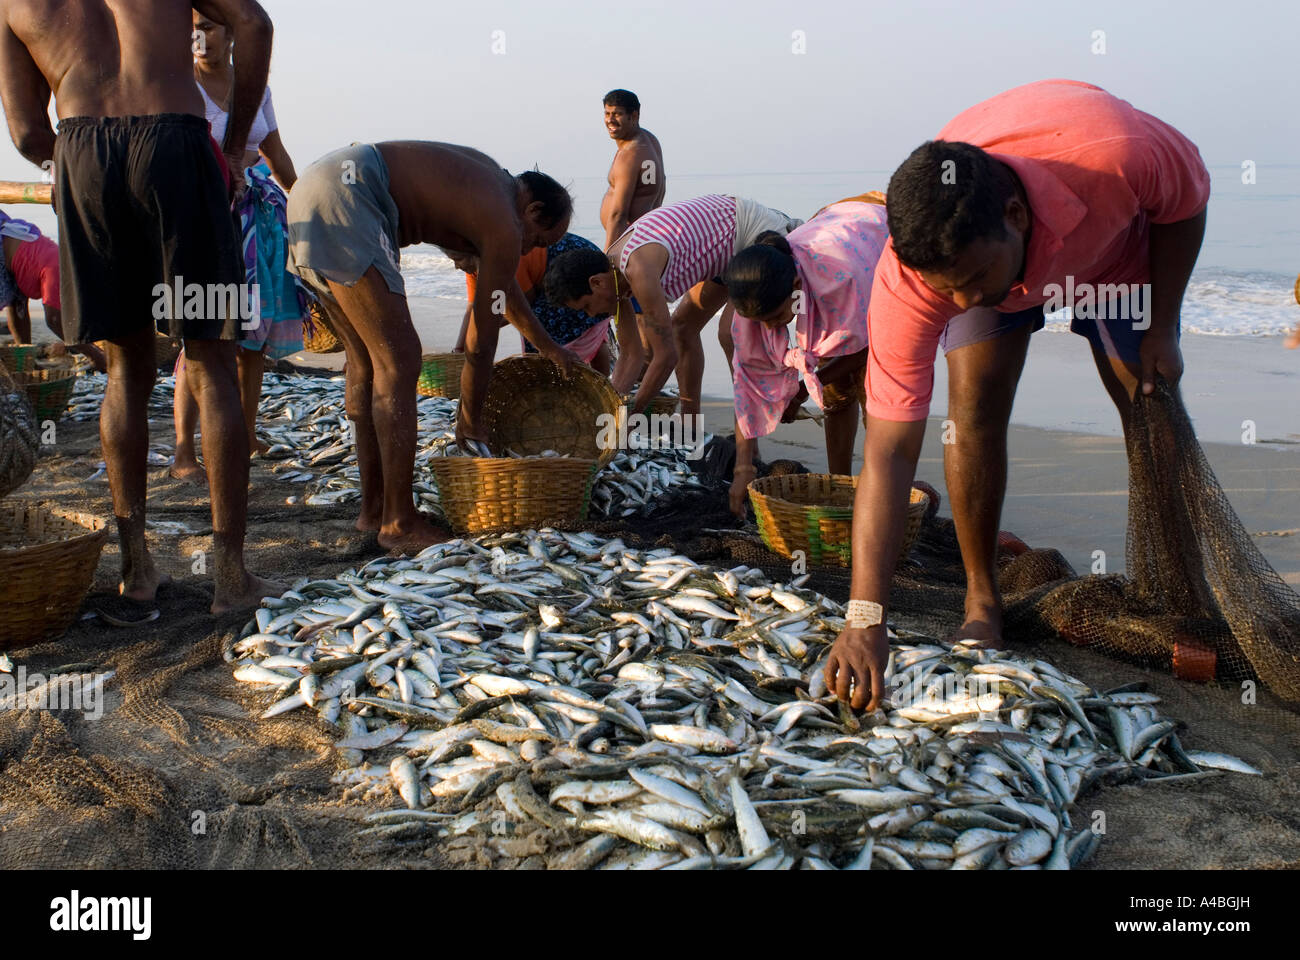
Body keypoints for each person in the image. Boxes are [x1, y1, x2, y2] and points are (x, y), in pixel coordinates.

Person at [825, 80, 1211, 709]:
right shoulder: (916, 279)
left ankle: (1183, 594)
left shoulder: (1119, 155)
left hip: (1111, 253)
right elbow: (888, 455)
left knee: (1148, 402)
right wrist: (864, 617)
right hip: (997, 257)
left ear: (1014, 216)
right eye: (944, 290)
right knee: (972, 411)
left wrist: (1164, 323)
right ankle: (983, 600)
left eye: (972, 280)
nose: (962, 302)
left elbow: (1186, 203)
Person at [0, 0, 281, 615]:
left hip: (83, 151)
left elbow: (25, 132)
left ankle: (138, 571)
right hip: (176, 145)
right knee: (211, 361)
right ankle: (230, 578)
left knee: (126, 368)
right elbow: (254, 23)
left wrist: (73, 168)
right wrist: (232, 149)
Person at [285, 142, 579, 553]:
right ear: (531, 212)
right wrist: (470, 421)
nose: (529, 251)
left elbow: (503, 289)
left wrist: (546, 346)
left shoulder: (488, 180)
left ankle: (373, 511)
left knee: (366, 362)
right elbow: (481, 341)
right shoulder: (506, 223)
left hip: (312, 188)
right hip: (351, 198)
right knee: (400, 362)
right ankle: (399, 522)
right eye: (540, 241)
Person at [172, 8, 306, 484]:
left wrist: (308, 203)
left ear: (231, 32)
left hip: (260, 225)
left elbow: (276, 151)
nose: (198, 36)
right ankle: (185, 450)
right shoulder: (178, 86)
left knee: (253, 343)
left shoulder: (257, 88)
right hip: (204, 224)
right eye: (193, 28)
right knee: (201, 338)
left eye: (207, 26)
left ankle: (246, 436)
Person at [545, 194, 801, 416]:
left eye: (586, 306)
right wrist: (611, 408)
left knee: (730, 333)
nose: (592, 314)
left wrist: (634, 414)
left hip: (753, 235)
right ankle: (689, 428)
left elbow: (665, 357)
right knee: (682, 329)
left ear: (596, 283)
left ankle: (749, 447)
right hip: (722, 252)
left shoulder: (638, 270)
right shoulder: (613, 276)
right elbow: (631, 354)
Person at [724, 199, 890, 514]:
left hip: (875, 237)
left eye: (775, 317)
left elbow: (870, 345)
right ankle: (840, 486)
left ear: (797, 288)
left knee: (878, 402)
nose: (770, 327)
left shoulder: (842, 281)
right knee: (835, 395)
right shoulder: (755, 300)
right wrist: (742, 468)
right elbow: (746, 382)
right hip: (833, 224)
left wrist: (799, 393)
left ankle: (881, 494)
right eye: (762, 322)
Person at [450, 234, 613, 375]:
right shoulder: (475, 269)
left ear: (475, 253)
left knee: (541, 336)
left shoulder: (504, 260)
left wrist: (487, 325)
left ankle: (598, 385)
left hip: (579, 274)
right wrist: (459, 349)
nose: (457, 266)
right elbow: (474, 307)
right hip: (553, 279)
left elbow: (523, 304)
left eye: (459, 259)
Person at [0, 210, 105, 370]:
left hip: (14, 248)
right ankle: (98, 359)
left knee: (17, 307)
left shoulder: (60, 264)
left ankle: (26, 361)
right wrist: (95, 355)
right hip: (10, 251)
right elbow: (54, 320)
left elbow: (18, 310)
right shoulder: (61, 270)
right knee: (29, 309)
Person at [599, 89, 666, 250]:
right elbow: (659, 187)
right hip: (647, 237)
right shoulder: (650, 141)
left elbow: (618, 215)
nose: (610, 120)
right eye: (607, 114)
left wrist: (607, 260)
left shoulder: (629, 155)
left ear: (634, 116)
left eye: (617, 114)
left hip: (629, 244)